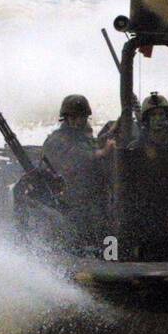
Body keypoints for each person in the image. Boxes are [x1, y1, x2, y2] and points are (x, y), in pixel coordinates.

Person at [40, 94, 114, 242]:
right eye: (73, 117)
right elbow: (76, 157)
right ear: (66, 118)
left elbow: (91, 147)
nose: (78, 121)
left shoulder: (84, 138)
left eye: (82, 117)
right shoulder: (57, 139)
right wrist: (101, 152)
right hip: (68, 201)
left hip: (92, 200)